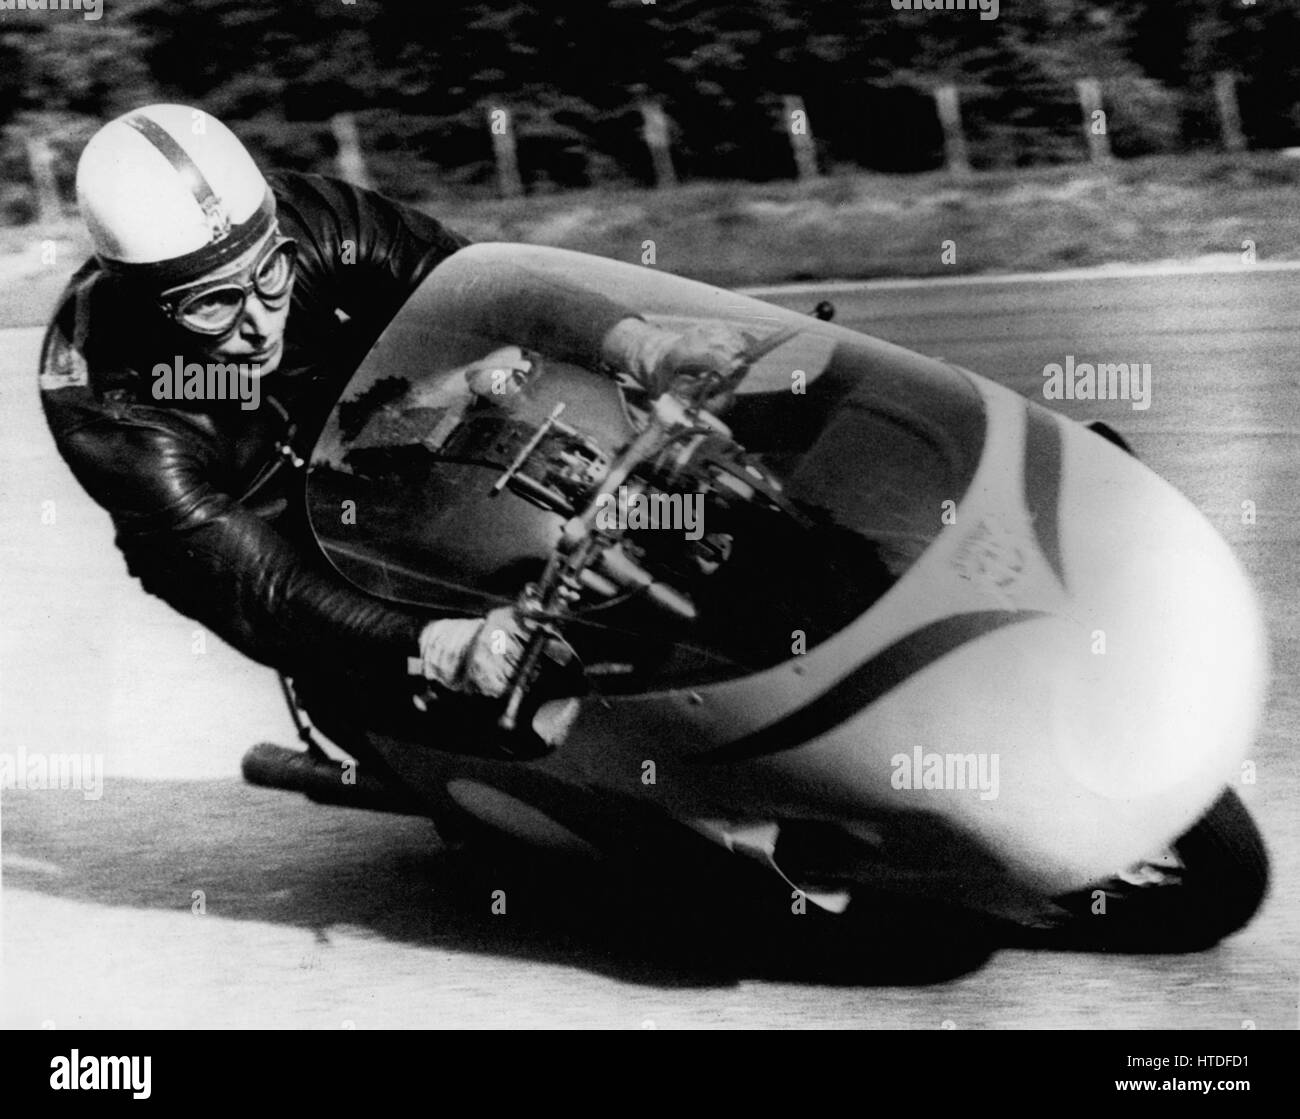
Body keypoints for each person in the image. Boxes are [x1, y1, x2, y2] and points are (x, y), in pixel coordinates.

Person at [39, 104, 751, 754]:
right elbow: (265, 585)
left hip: (373, 415)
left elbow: (479, 284)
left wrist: (644, 347)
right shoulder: (105, 401)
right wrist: (433, 642)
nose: (259, 320)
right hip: (269, 523)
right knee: (498, 698)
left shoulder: (305, 218)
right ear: (145, 304)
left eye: (270, 276)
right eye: (212, 305)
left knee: (554, 398)